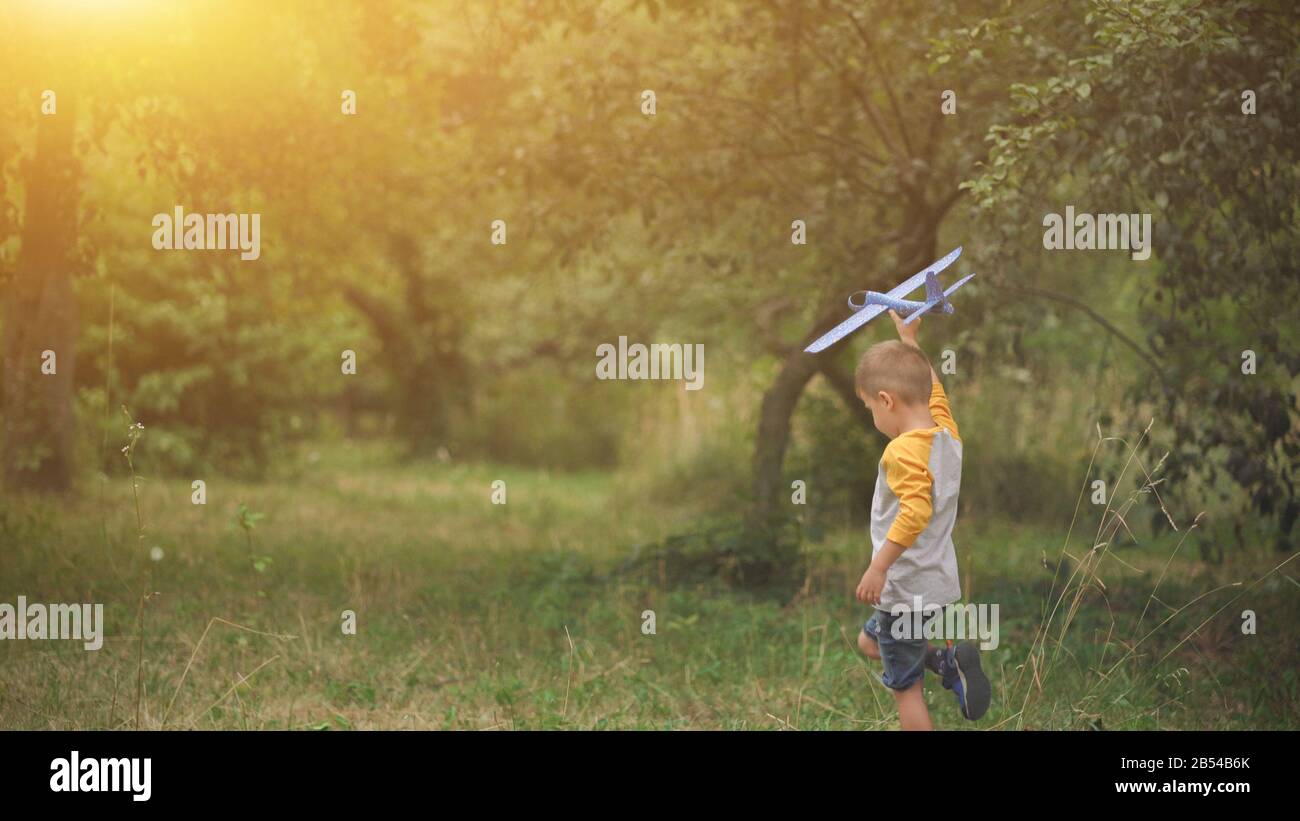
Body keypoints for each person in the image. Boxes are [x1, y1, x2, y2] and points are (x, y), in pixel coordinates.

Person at [853, 309, 990, 729]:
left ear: (886, 400)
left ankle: (941, 664)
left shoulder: (901, 450)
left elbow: (915, 512)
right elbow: (932, 388)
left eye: (869, 407)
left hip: (903, 586)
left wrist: (879, 567)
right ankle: (947, 662)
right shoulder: (946, 435)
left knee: (905, 687)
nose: (873, 418)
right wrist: (909, 339)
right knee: (868, 641)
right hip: (935, 582)